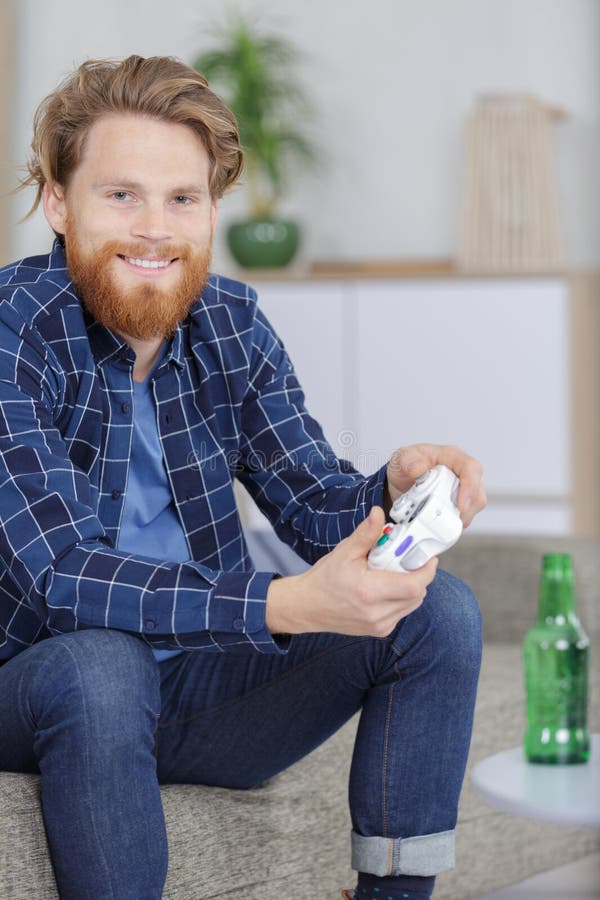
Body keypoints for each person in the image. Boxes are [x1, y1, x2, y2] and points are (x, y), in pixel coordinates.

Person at [0, 55, 486, 900]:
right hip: (37, 682)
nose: (155, 228)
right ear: (56, 202)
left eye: (182, 198)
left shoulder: (231, 323)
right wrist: (283, 604)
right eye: (121, 195)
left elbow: (310, 500)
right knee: (101, 665)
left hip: (196, 682)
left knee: (437, 608)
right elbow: (59, 576)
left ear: (211, 210)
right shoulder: (11, 330)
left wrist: (392, 492)